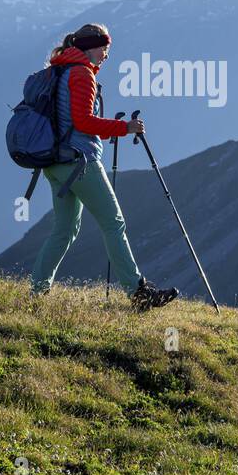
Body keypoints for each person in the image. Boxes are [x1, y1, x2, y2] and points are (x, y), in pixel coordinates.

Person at [30, 23, 179, 310]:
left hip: (55, 163)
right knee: (114, 222)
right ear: (90, 47)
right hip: (80, 161)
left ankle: (37, 293)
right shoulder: (82, 74)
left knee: (64, 230)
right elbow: (84, 122)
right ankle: (138, 293)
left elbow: (72, 120)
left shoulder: (60, 69)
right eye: (104, 48)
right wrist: (126, 127)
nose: (106, 55)